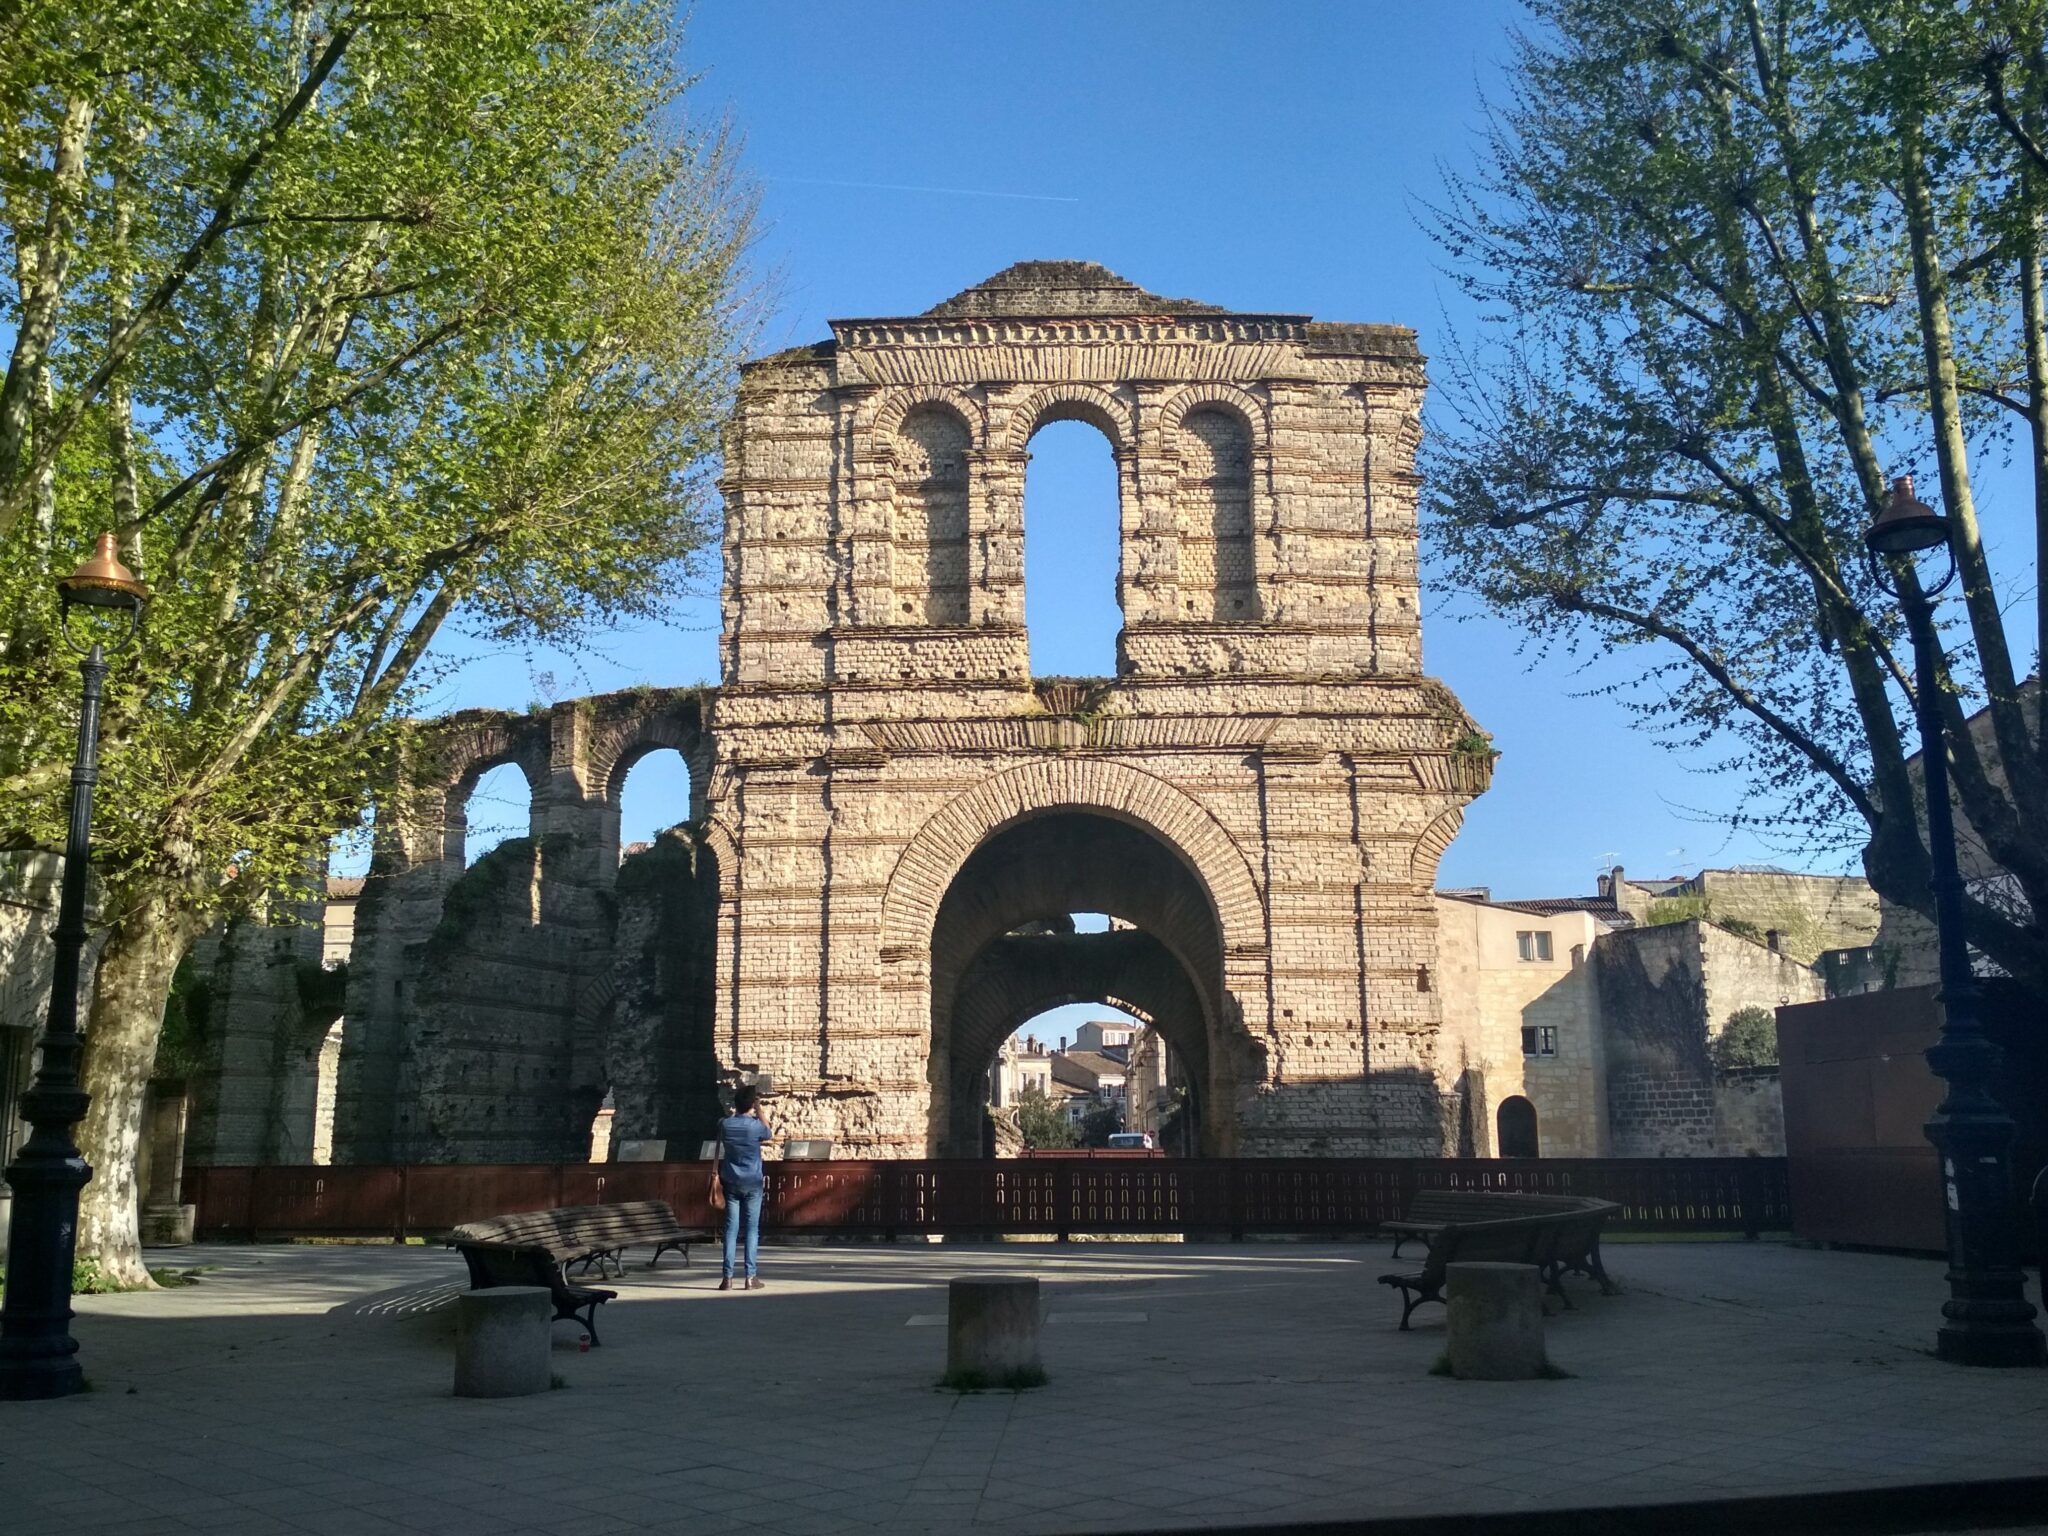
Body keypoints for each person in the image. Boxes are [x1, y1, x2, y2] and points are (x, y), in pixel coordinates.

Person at [717, 1084, 774, 1290]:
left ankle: (727, 1278)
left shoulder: (725, 1124)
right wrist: (759, 1110)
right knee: (751, 1229)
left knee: (731, 1229)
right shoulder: (754, 1126)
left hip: (731, 1182)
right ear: (751, 1104)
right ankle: (750, 1277)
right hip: (752, 1182)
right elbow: (768, 1133)